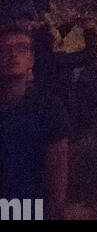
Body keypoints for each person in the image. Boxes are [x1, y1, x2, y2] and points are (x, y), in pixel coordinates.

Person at [0, 21, 70, 218]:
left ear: (31, 59)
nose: (13, 55)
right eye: (4, 49)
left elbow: (56, 186)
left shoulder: (48, 109)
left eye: (21, 49)